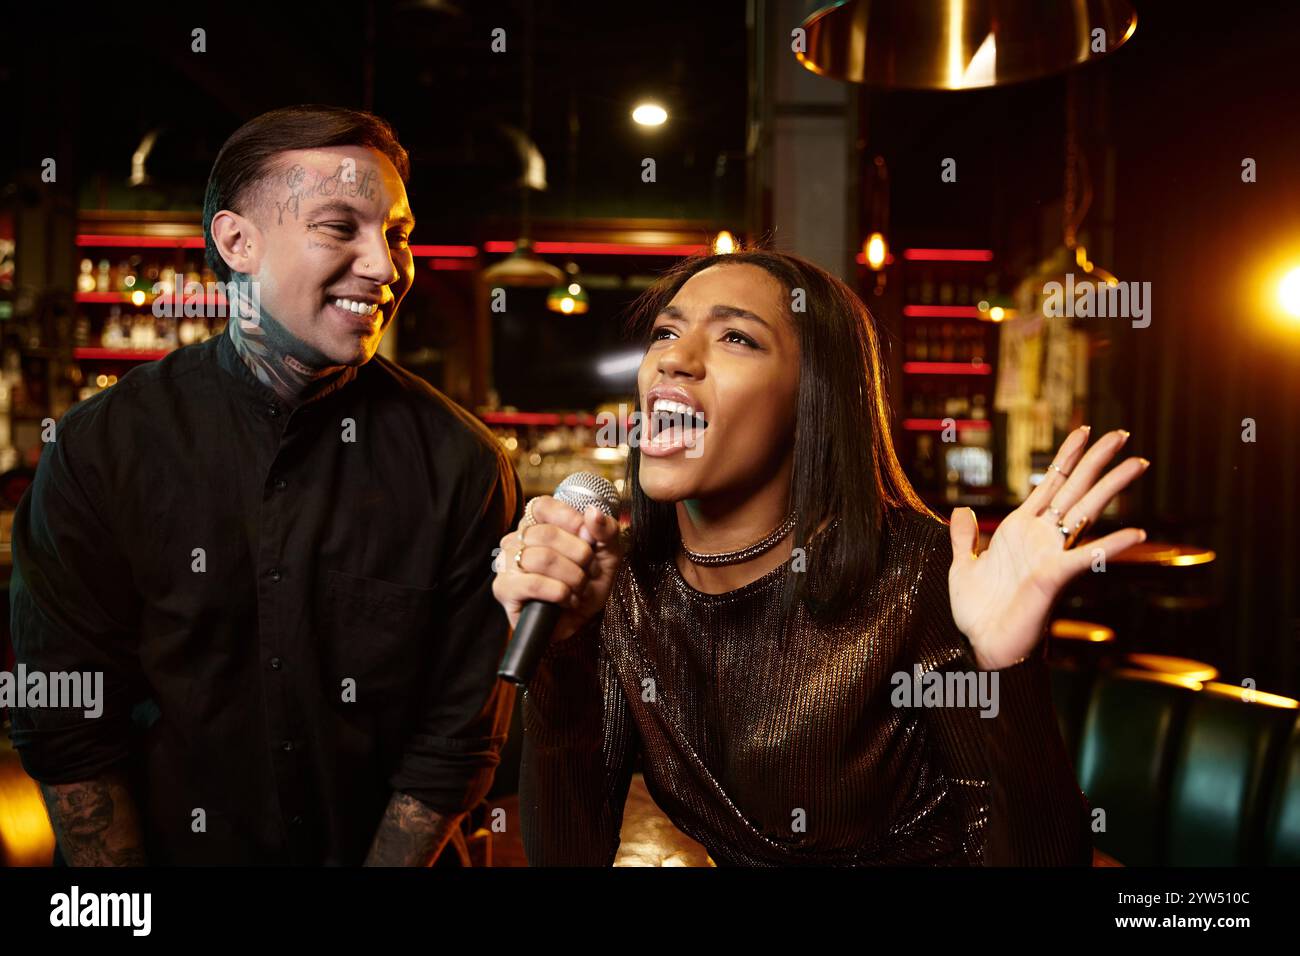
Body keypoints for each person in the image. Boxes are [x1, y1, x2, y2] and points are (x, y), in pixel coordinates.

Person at [493, 248, 1149, 866]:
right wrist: (563, 649)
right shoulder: (627, 587)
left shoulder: (918, 575)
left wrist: (1005, 671)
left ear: (814, 399)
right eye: (665, 333)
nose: (675, 360)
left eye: (737, 338)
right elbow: (567, 856)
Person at [8, 105, 520, 865]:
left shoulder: (464, 464)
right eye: (340, 227)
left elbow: (457, 739)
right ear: (237, 242)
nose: (385, 266)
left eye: (398, 235)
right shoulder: (99, 450)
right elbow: (70, 728)